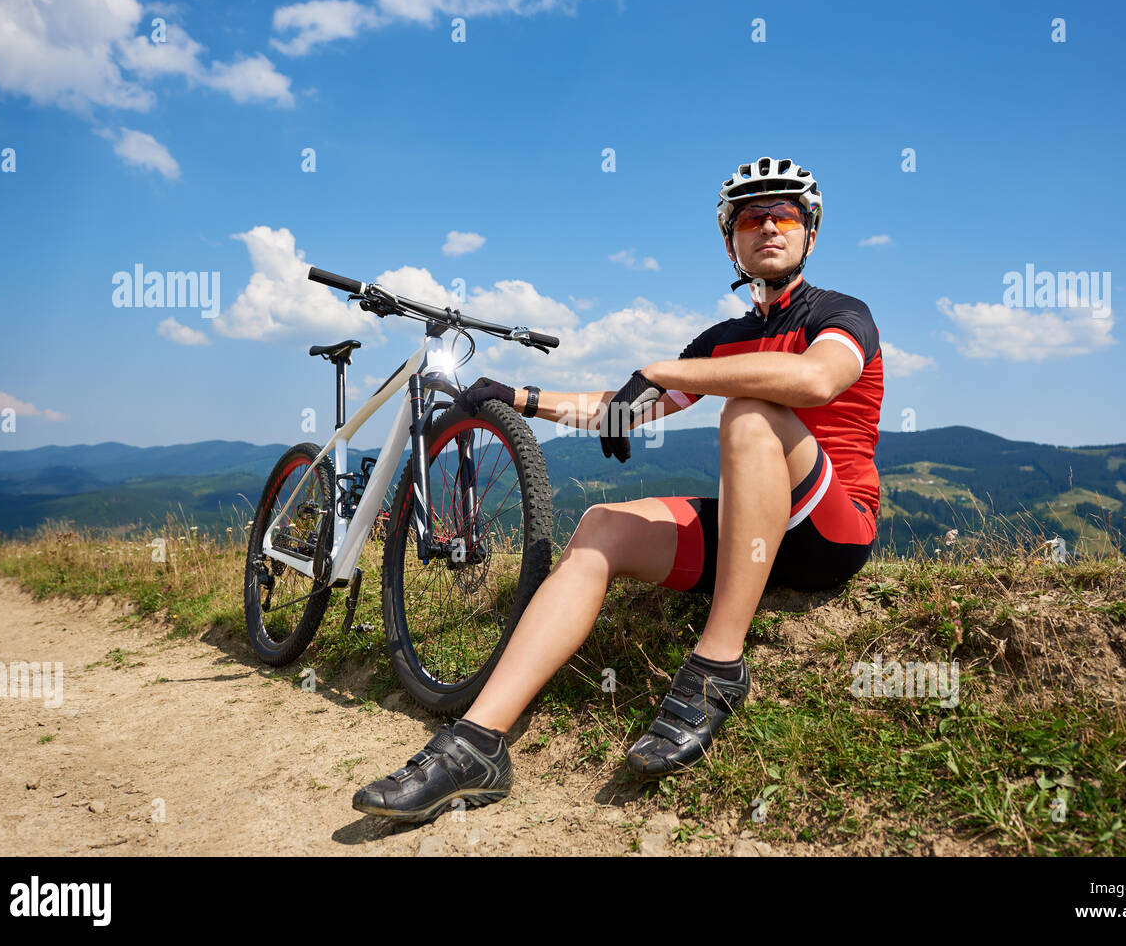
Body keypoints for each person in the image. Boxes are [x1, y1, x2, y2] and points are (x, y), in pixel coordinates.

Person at [352, 156, 884, 823]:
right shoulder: (725, 341)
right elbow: (624, 405)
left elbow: (815, 382)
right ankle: (478, 743)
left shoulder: (841, 313)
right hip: (753, 532)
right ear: (731, 241)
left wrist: (660, 367)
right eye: (751, 216)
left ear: (810, 232)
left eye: (785, 214)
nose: (769, 226)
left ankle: (717, 666)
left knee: (749, 414)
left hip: (830, 530)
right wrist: (518, 396)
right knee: (601, 523)